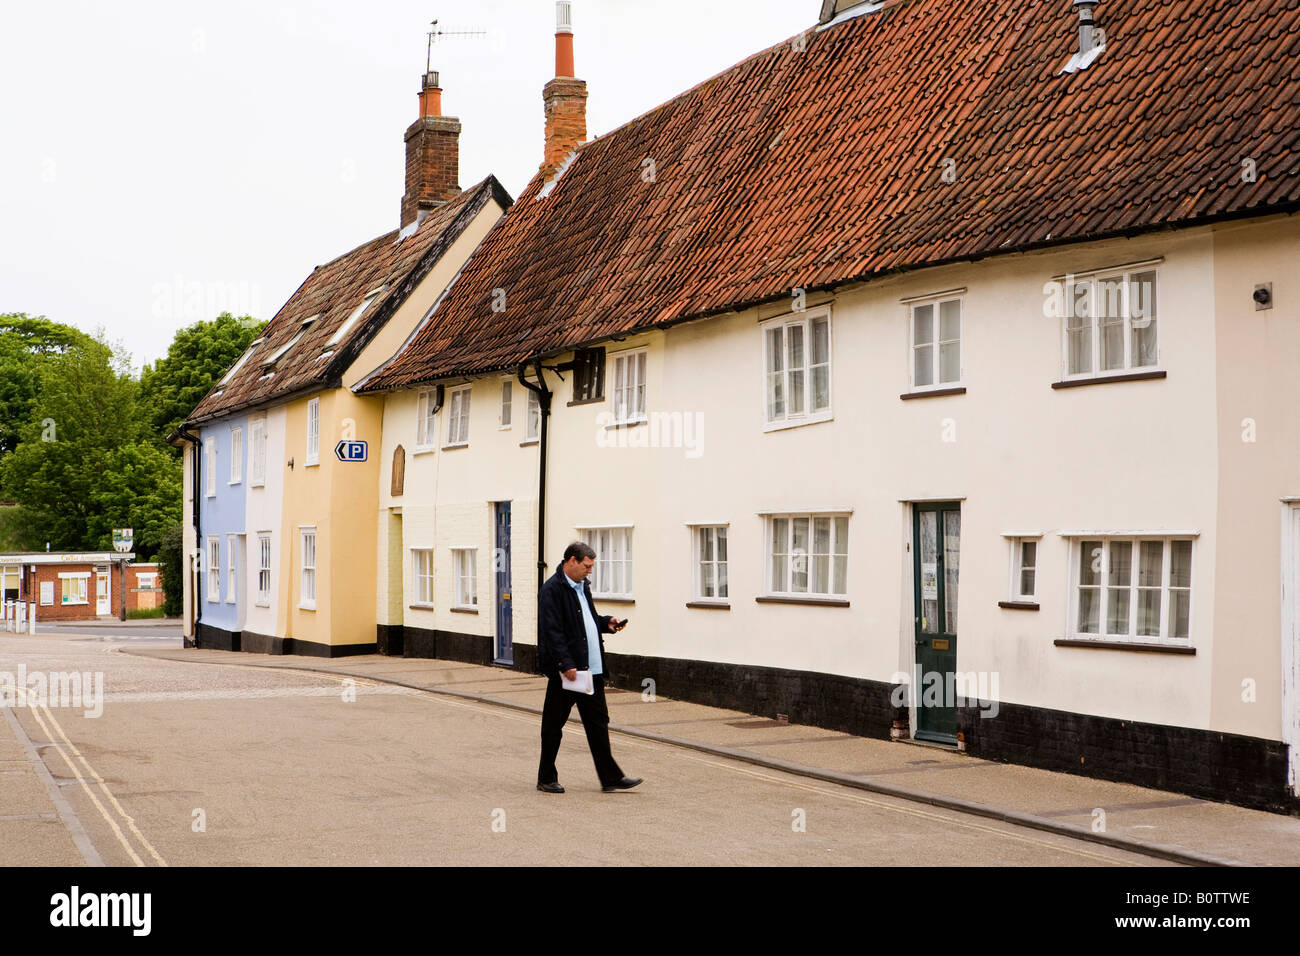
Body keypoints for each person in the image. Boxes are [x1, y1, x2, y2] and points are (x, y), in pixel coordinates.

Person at [536, 541, 642, 794]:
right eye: (587, 566)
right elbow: (553, 632)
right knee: (553, 726)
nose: (590, 570)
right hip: (569, 673)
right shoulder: (552, 590)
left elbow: (586, 620)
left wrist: (607, 623)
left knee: (598, 724)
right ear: (571, 561)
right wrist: (565, 664)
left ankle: (610, 778)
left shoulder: (582, 586)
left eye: (591, 566)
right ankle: (546, 778)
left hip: (591, 670)